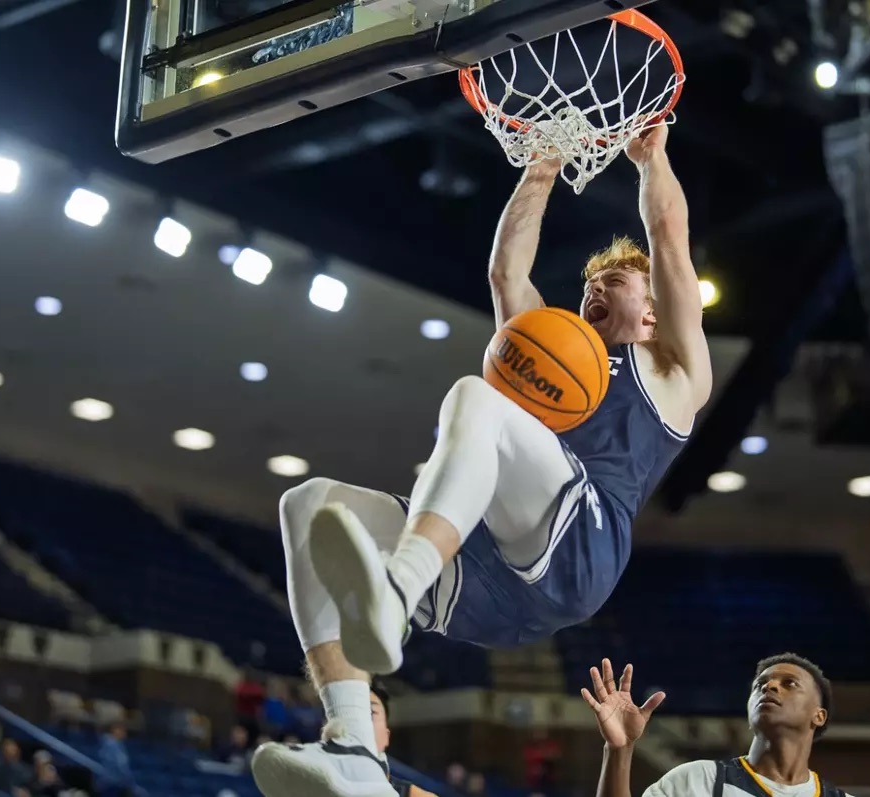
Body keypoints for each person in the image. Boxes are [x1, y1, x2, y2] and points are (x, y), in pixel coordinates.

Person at [252, 124, 711, 797]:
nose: (595, 289)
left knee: (478, 397)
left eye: (615, 282)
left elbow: (669, 235)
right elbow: (507, 274)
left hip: (582, 544)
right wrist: (541, 169)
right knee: (309, 502)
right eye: (591, 282)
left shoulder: (672, 372)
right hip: (492, 583)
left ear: (651, 314)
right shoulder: (550, 351)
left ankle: (398, 588)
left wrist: (653, 158)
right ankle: (355, 751)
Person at [584, 655, 851, 797]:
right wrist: (619, 749)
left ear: (819, 716)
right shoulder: (697, 779)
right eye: (759, 684)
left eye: (789, 683)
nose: (769, 686)